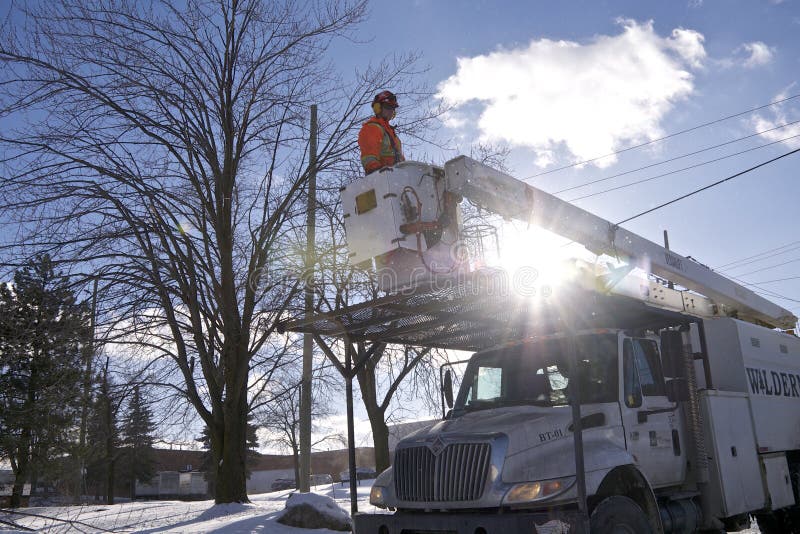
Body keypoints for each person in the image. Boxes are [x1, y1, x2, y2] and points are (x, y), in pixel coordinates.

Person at [358, 90, 404, 174]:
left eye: (392, 108)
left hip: (397, 177)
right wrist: (378, 172)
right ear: (377, 108)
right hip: (383, 177)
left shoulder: (392, 134)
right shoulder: (372, 128)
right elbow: (369, 157)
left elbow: (401, 159)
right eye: (388, 107)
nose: (391, 111)